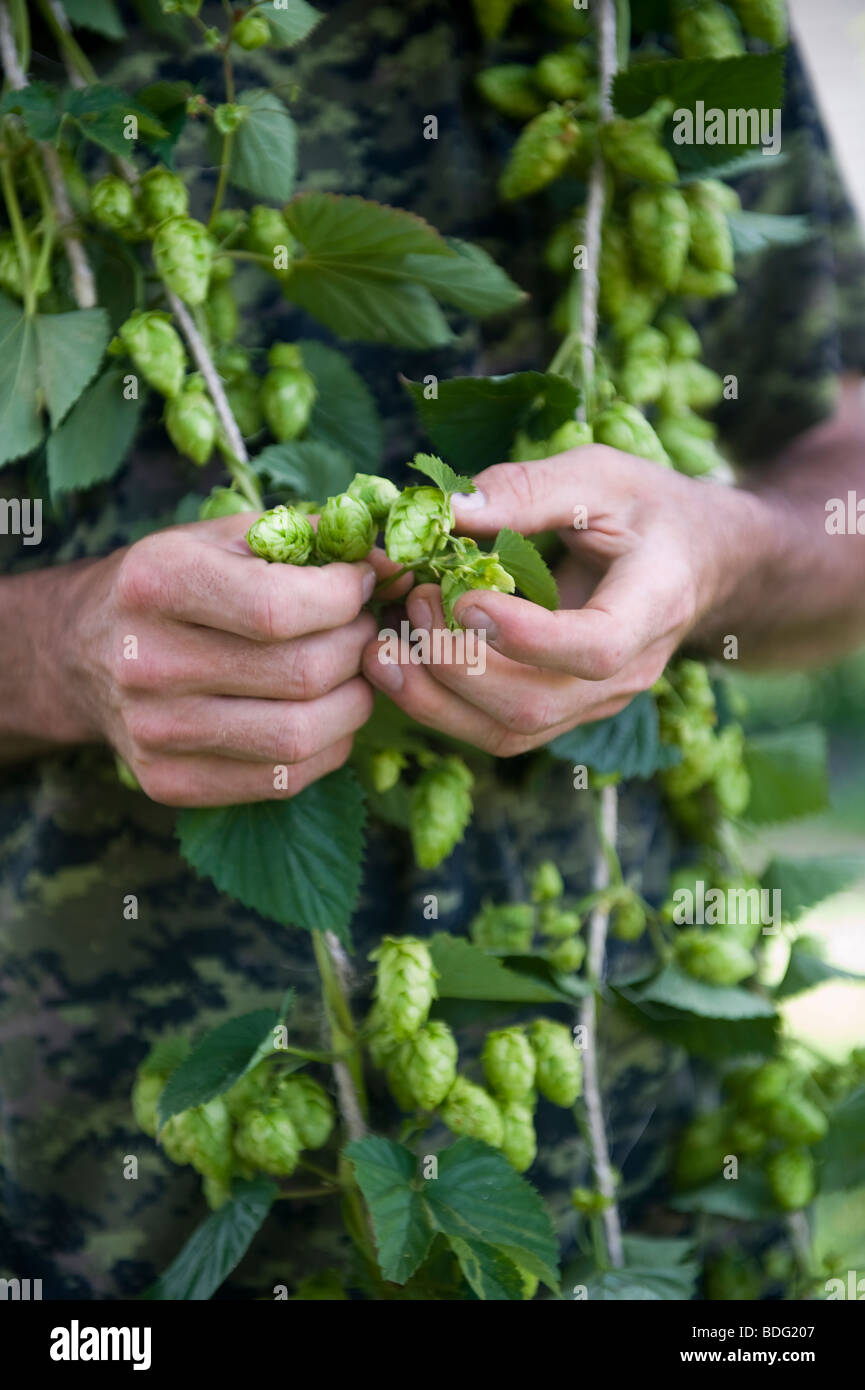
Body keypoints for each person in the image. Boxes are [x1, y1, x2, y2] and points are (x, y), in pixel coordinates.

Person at [1, 1, 864, 1298]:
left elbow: (839, 474)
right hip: (89, 1241)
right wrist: (49, 652)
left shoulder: (638, 28)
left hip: (636, 1179)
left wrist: (724, 549)